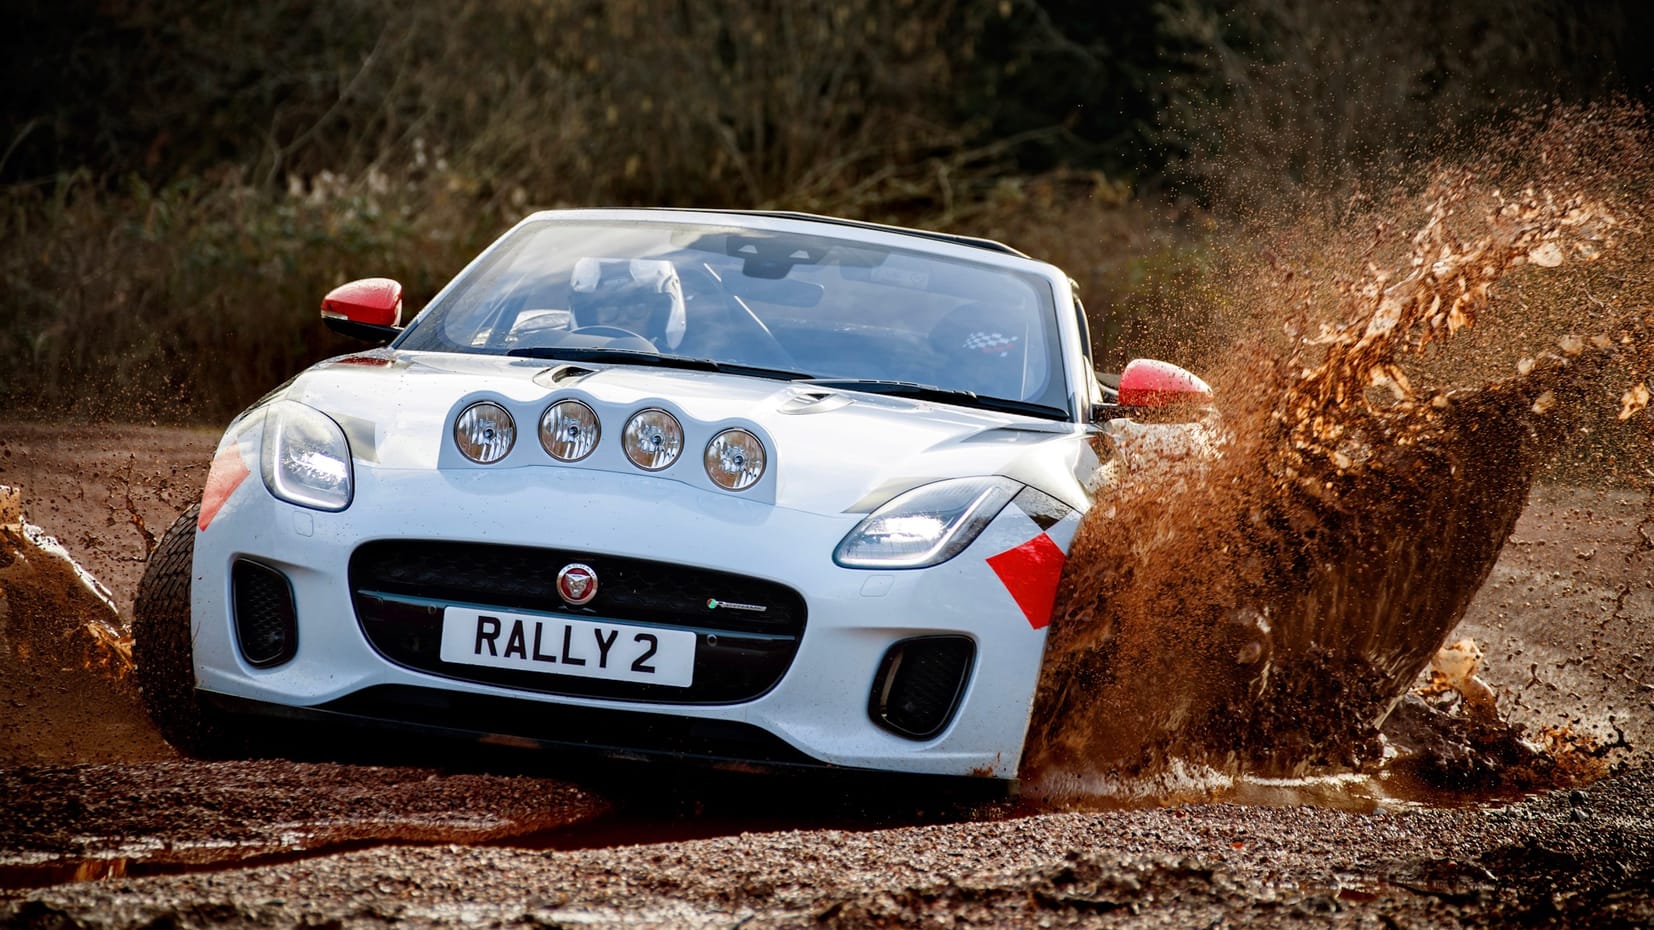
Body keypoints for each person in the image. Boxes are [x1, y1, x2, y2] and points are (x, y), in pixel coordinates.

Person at [568, 257, 687, 350]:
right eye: (609, 307)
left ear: (656, 312)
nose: (622, 318)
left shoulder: (692, 367)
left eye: (636, 306)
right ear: (591, 315)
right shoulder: (560, 355)